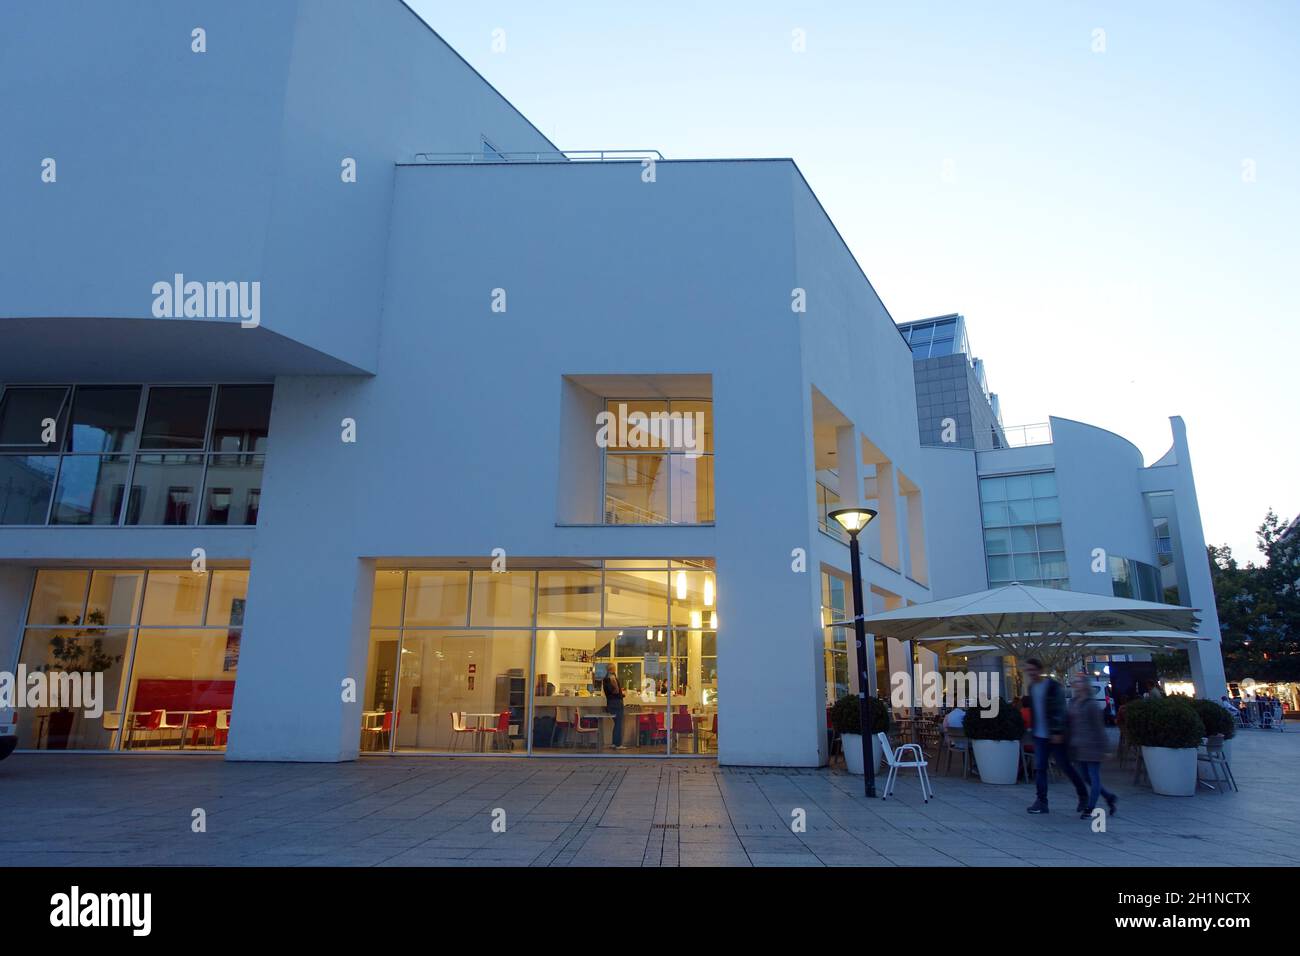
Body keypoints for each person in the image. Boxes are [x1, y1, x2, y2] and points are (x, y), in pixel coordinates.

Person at [1022, 658, 1089, 814]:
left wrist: (1057, 731)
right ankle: (1041, 801)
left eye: (1033, 669)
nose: (1030, 673)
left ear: (1039, 670)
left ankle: (1083, 795)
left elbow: (1060, 709)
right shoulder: (1031, 688)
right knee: (1040, 768)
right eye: (1028, 670)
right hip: (1039, 735)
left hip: (1054, 735)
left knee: (1065, 766)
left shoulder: (1053, 687)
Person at [1070, 673, 1117, 820]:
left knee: (1094, 777)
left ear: (1085, 684)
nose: (1075, 684)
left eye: (1078, 681)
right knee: (1086, 777)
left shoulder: (1091, 704)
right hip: (1079, 745)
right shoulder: (1073, 702)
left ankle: (1090, 808)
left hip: (1092, 745)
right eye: (1075, 682)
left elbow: (1099, 728)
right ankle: (1109, 797)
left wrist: (1106, 749)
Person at [602, 668, 626, 750]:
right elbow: (615, 691)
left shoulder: (605, 679)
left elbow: (609, 693)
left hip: (610, 703)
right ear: (613, 669)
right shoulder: (612, 677)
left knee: (616, 724)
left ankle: (614, 743)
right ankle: (618, 744)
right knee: (619, 724)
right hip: (616, 703)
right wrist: (620, 693)